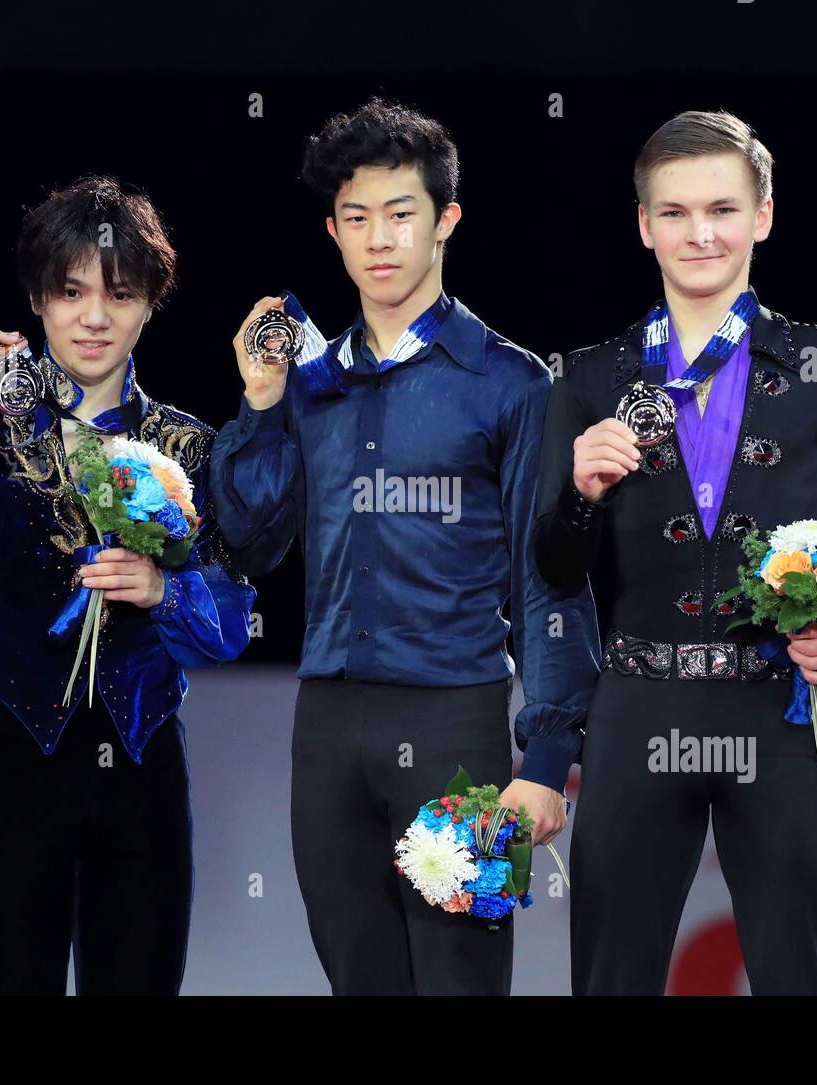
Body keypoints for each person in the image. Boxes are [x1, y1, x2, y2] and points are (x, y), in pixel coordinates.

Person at [209, 98, 600, 995]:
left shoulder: (512, 382)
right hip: (328, 729)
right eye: (356, 219)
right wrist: (261, 403)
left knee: (463, 981)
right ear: (334, 232)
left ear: (445, 221)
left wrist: (545, 758)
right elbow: (251, 541)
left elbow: (551, 576)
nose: (378, 239)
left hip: (456, 718)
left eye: (400, 214)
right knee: (359, 982)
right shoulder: (307, 386)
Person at [534, 111, 817, 995]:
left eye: (722, 208)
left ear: (764, 215)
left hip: (774, 703)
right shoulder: (590, 376)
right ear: (642, 225)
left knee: (802, 975)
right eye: (674, 212)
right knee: (609, 980)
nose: (699, 232)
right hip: (634, 709)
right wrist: (578, 498)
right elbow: (553, 570)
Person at [0, 175, 255, 995]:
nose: (95, 317)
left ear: (151, 301)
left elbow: (230, 627)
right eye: (72, 291)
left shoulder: (185, 446)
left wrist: (164, 591)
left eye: (120, 294)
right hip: (11, 766)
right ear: (38, 299)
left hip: (143, 773)